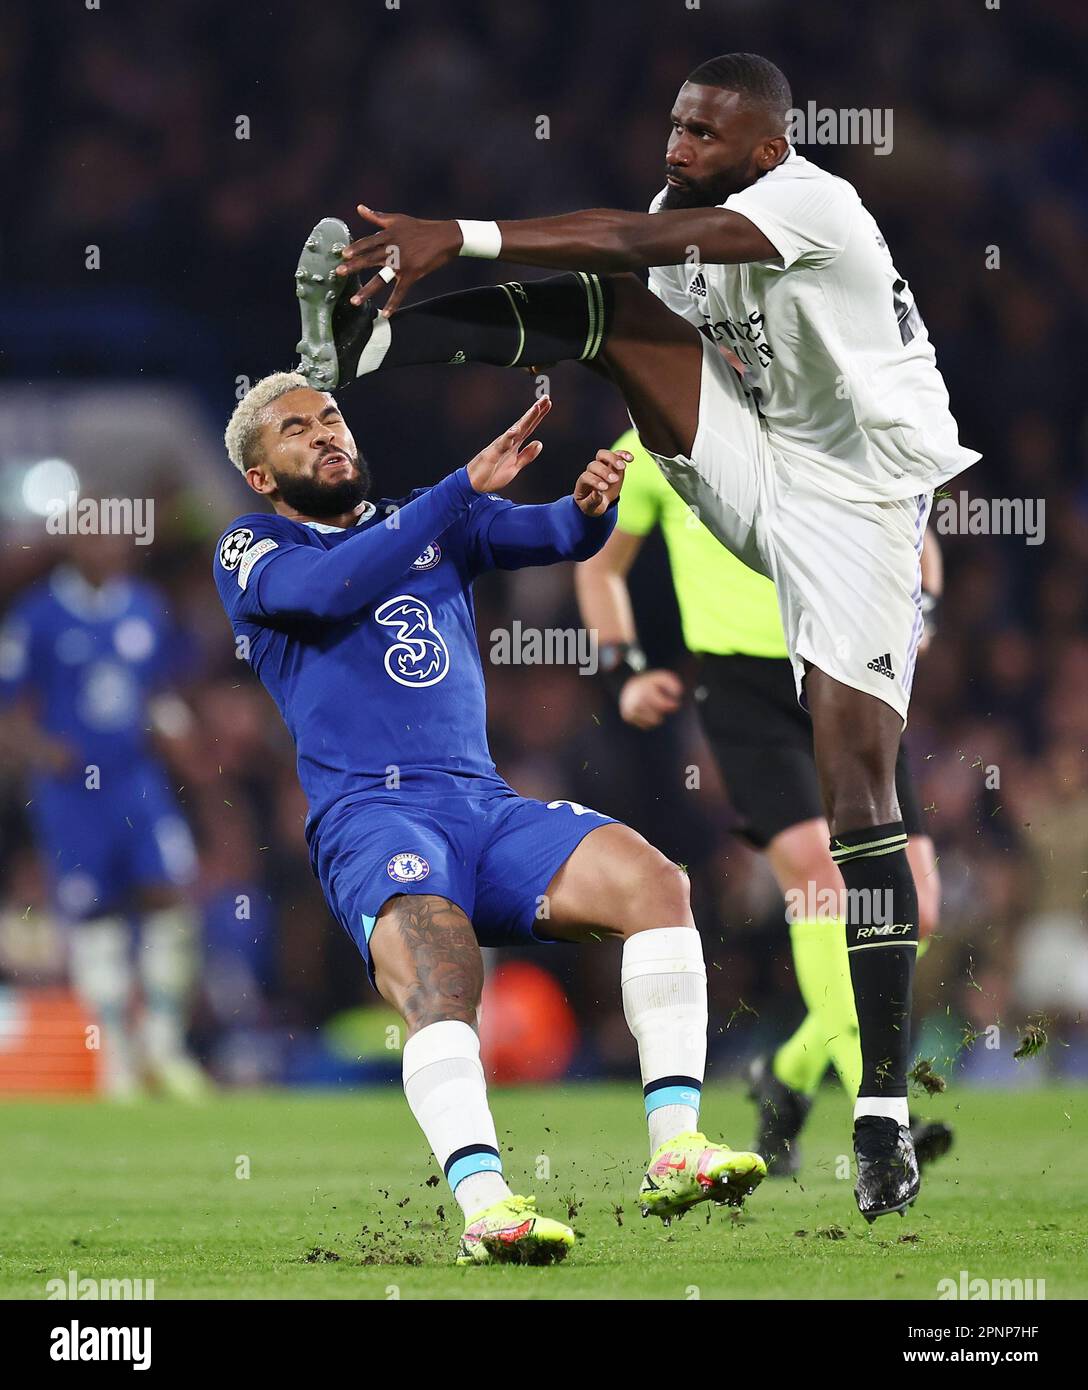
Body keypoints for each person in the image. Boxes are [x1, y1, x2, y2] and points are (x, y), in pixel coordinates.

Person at [294, 50, 979, 1220]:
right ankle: (365, 349)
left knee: (859, 791)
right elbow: (619, 261)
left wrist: (456, 231)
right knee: (611, 317)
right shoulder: (685, 205)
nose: (677, 151)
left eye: (705, 138)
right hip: (766, 464)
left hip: (864, 505)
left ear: (765, 151)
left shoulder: (812, 205)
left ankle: (876, 1112)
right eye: (673, 126)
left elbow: (626, 238)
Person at [212, 378, 767, 1266]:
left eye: (331, 418)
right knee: (443, 970)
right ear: (259, 476)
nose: (324, 435)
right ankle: (486, 1205)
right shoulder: (254, 545)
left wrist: (591, 508)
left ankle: (675, 1147)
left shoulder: (436, 523)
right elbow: (327, 590)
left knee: (655, 883)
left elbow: (552, 533)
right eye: (294, 430)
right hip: (373, 815)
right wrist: (459, 490)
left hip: (482, 803)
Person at [576, 427, 953, 1174]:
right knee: (819, 881)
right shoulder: (651, 444)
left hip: (845, 666)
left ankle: (786, 1073)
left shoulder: (810, 413)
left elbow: (914, 529)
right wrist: (623, 667)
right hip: (742, 687)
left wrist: (926, 613)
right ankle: (881, 1109)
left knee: (918, 910)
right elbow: (600, 564)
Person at [0, 531, 204, 1099]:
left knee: (170, 893)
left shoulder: (144, 606)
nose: (108, 546)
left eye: (116, 536)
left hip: (136, 781)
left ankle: (165, 1045)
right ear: (73, 543)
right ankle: (116, 1056)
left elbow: (160, 690)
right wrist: (42, 750)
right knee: (95, 915)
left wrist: (175, 728)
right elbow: (8, 707)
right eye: (95, 535)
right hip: (70, 792)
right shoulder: (36, 615)